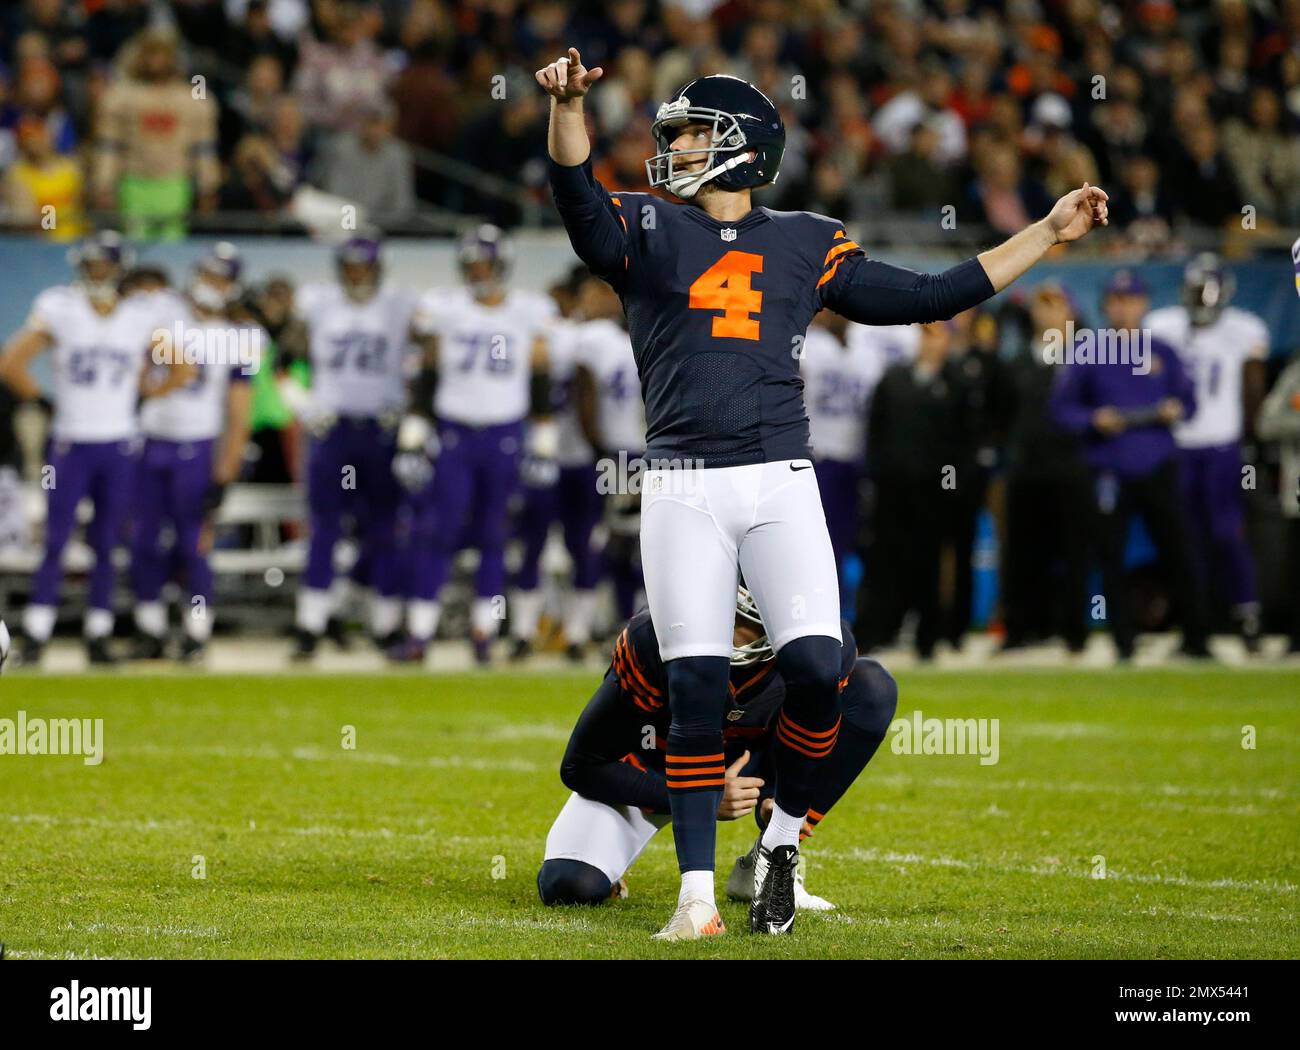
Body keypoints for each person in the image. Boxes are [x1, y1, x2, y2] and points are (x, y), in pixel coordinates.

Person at [536, 48, 1108, 938]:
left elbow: (931, 295)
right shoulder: (645, 227)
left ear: (745, 147)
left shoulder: (806, 239)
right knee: (691, 682)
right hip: (682, 477)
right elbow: (575, 192)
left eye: (692, 135)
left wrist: (1047, 231)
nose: (677, 150)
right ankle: (694, 902)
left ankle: (779, 851)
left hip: (779, 472)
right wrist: (567, 106)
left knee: (816, 666)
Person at [538, 586, 897, 913]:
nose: (736, 633)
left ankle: (768, 859)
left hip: (749, 767)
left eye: (745, 623)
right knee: (570, 885)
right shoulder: (654, 637)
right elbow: (580, 766)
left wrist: (783, 800)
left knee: (872, 689)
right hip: (650, 770)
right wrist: (699, 795)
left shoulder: (824, 648)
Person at [0, 231, 192, 664]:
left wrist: (144, 395)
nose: (97, 272)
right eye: (91, 264)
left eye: (103, 265)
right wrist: (42, 401)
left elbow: (182, 367)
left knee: (107, 542)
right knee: (56, 540)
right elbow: (11, 362)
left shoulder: (139, 316)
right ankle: (37, 630)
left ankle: (98, 631)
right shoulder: (60, 308)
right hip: (71, 440)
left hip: (119, 442)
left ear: (118, 268)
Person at [390, 225, 553, 666]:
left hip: (504, 436)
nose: (478, 272)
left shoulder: (529, 311)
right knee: (436, 532)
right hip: (454, 435)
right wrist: (412, 438)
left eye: (485, 264)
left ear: (501, 266)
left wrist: (543, 441)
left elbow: (541, 380)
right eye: (472, 265)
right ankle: (419, 634)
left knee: (494, 535)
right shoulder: (444, 308)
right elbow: (424, 379)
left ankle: (483, 633)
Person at [1049, 270, 1209, 661]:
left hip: (1158, 463)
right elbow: (1061, 409)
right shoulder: (1089, 350)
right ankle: (1123, 642)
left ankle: (1197, 639)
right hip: (1109, 468)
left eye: (1131, 299)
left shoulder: (1162, 350)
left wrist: (1176, 409)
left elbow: (1189, 400)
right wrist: (1093, 420)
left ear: (1144, 303)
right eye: (1117, 300)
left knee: (1180, 551)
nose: (1124, 308)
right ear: (1106, 305)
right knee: (1110, 556)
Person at [284, 235, 420, 659]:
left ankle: (383, 624)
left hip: (382, 431)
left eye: (362, 266)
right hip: (333, 431)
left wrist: (412, 415)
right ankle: (309, 625)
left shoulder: (400, 306)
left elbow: (427, 360)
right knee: (324, 529)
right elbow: (283, 363)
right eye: (350, 266)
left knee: (384, 530)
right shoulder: (320, 305)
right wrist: (305, 406)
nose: (355, 274)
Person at [129, 244, 253, 662]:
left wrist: (224, 475)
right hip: (149, 441)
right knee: (144, 540)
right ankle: (149, 628)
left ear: (232, 286)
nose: (210, 285)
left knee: (194, 546)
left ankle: (197, 631)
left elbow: (239, 415)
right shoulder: (163, 313)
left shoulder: (240, 339)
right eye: (207, 274)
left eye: (220, 278)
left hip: (196, 449)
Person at [1147, 254, 1270, 652]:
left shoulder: (1244, 329)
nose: (1201, 300)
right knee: (1184, 540)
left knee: (1226, 533)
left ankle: (1246, 615)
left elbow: (1253, 392)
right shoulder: (1162, 326)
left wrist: (1251, 441)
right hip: (1177, 446)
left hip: (1221, 447)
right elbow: (1146, 379)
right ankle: (1194, 626)